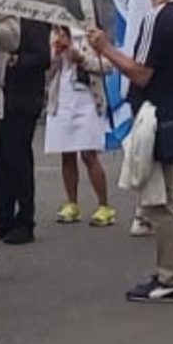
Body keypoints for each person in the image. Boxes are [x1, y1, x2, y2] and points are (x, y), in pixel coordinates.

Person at [90, 0, 173, 302]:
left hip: (156, 114)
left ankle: (171, 276)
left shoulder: (158, 18)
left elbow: (141, 73)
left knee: (156, 202)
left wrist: (106, 48)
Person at [44, 25, 114, 228]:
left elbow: (107, 66)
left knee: (88, 154)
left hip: (87, 99)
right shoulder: (55, 33)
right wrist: (56, 53)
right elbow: (48, 70)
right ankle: (71, 203)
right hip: (62, 98)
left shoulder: (92, 33)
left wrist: (82, 59)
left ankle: (104, 205)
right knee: (66, 153)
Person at [0, 16, 50, 245]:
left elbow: (43, 57)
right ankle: (3, 216)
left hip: (22, 100)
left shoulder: (34, 19)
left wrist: (16, 60)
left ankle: (25, 219)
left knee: (18, 159)